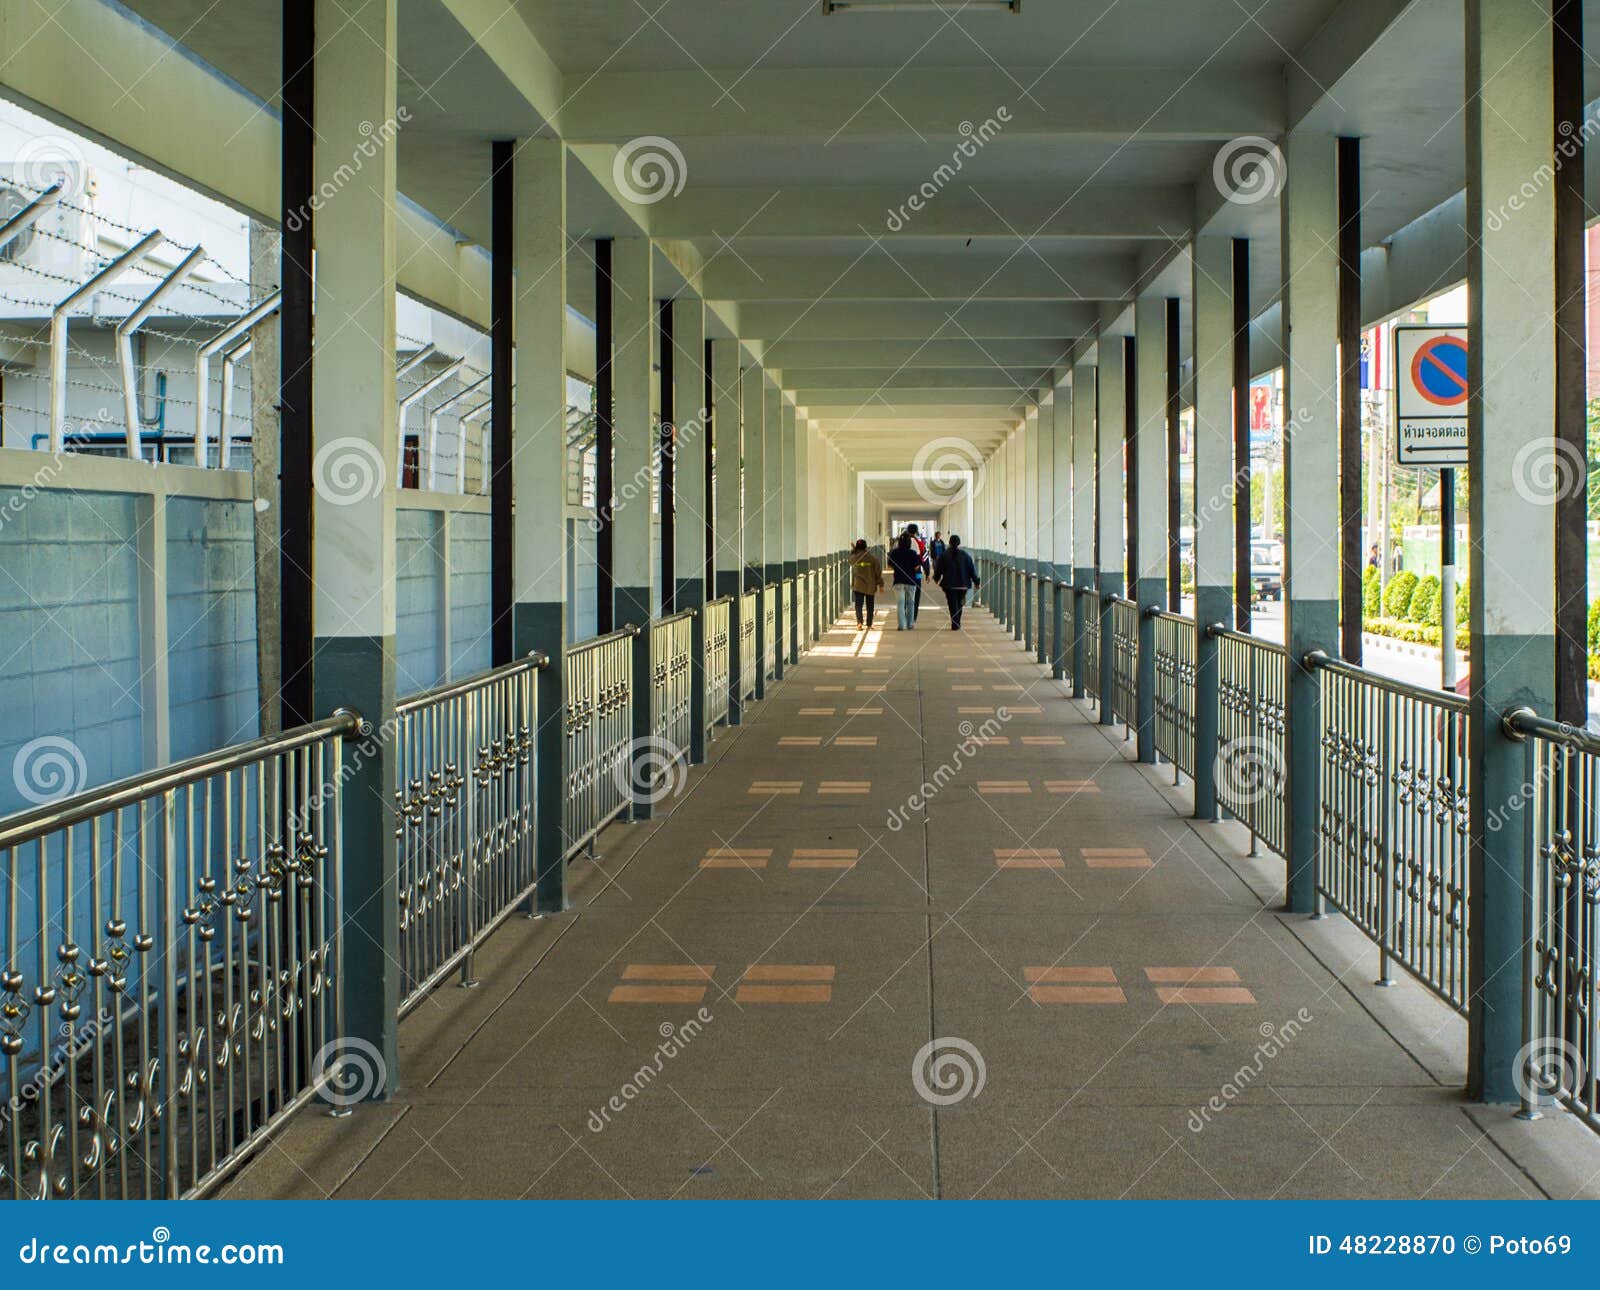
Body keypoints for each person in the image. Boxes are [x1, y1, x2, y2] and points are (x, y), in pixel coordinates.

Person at [932, 534, 980, 630]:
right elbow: (971, 570)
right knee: (959, 604)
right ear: (959, 543)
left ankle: (955, 623)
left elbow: (938, 569)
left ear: (949, 543)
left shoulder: (944, 555)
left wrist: (936, 578)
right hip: (963, 584)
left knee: (952, 604)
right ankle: (956, 622)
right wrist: (976, 581)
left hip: (949, 585)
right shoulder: (966, 556)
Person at [888, 531, 922, 630]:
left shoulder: (894, 553)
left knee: (900, 602)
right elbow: (916, 568)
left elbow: (890, 565)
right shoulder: (913, 553)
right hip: (911, 581)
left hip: (898, 581)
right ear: (909, 543)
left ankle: (901, 625)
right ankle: (910, 624)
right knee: (911, 603)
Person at [849, 538, 883, 628]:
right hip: (870, 585)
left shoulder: (854, 557)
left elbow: (850, 561)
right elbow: (878, 572)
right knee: (870, 605)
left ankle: (859, 622)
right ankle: (869, 623)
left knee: (858, 605)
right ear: (866, 547)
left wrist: (854, 551)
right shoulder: (873, 558)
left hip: (858, 585)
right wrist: (881, 584)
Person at [905, 523, 928, 620]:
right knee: (916, 594)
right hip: (917, 573)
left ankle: (905, 614)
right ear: (916, 531)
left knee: (905, 594)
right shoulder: (920, 542)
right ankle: (913, 616)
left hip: (904, 573)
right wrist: (927, 572)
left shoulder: (902, 541)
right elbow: (924, 558)